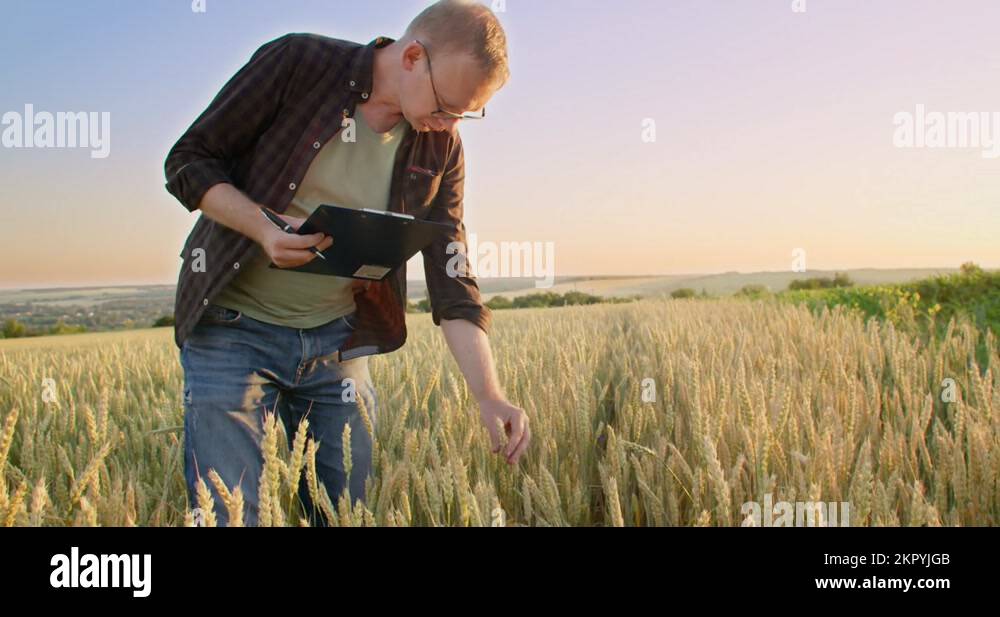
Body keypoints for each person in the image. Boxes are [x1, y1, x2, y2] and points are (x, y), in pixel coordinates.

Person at [163, 0, 530, 526]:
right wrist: (263, 227)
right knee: (232, 516)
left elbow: (451, 273)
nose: (449, 123)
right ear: (411, 58)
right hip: (231, 332)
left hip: (338, 344)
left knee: (345, 516)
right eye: (447, 104)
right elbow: (188, 160)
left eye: (466, 114)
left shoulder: (440, 146)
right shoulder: (298, 62)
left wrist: (490, 396)